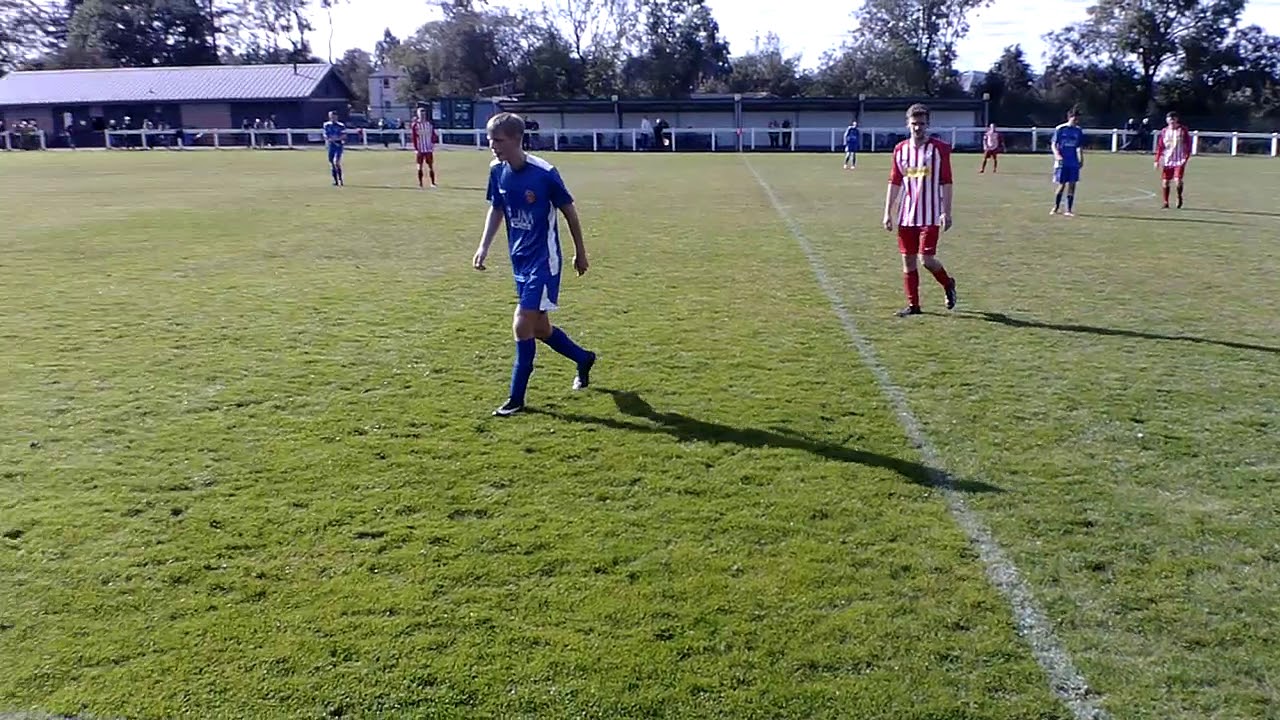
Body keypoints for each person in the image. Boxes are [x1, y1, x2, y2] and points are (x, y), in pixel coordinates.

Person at [472, 112, 596, 417]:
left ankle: (516, 398)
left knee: (521, 323)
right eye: (490, 139)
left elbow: (570, 212)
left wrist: (580, 252)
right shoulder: (496, 171)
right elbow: (496, 209)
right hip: (520, 261)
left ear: (516, 139)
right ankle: (583, 358)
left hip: (545, 261)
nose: (492, 145)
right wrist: (483, 246)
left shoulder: (544, 173)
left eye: (498, 140)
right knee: (540, 328)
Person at [883, 103, 958, 318]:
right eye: (914, 124)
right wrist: (887, 212)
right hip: (906, 215)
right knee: (908, 259)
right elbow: (894, 181)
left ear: (928, 125)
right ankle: (914, 305)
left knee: (926, 259)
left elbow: (946, 181)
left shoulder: (940, 149)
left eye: (922, 124)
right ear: (908, 124)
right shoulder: (900, 150)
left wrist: (947, 211)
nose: (918, 128)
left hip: (931, 214)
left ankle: (947, 283)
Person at [1050, 106, 1086, 216]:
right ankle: (1056, 207)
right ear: (1069, 117)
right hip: (1062, 162)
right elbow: (1053, 144)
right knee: (1062, 184)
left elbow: (1079, 146)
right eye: (1074, 119)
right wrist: (1057, 155)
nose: (1076, 121)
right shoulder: (1060, 129)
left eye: (1078, 119)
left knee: (1072, 184)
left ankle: (1068, 210)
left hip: (1073, 162)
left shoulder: (1078, 131)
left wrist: (1081, 159)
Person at [1154, 110, 1192, 209]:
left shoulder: (1182, 130)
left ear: (1177, 119)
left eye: (1173, 119)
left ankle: (1179, 196)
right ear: (1167, 120)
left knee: (1178, 180)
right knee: (1165, 181)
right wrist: (1157, 160)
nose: (1172, 121)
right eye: (1170, 119)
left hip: (1179, 159)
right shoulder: (1164, 131)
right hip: (1167, 159)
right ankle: (1165, 202)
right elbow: (1160, 146)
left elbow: (1188, 144)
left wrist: (1186, 156)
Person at [410, 107, 439, 189]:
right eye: (421, 114)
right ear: (418, 114)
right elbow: (414, 137)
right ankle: (420, 184)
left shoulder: (429, 124)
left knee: (431, 166)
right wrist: (416, 148)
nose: (422, 115)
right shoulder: (415, 125)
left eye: (424, 114)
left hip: (428, 148)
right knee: (419, 166)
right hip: (420, 149)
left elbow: (433, 134)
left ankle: (433, 183)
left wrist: (433, 143)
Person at [322, 110, 345, 186]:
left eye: (334, 116)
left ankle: (340, 179)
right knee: (332, 163)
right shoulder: (326, 125)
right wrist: (327, 138)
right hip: (331, 146)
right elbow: (325, 134)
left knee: (336, 162)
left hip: (338, 145)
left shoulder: (341, 125)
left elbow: (344, 136)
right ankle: (335, 181)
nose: (332, 118)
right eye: (331, 116)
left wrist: (336, 139)